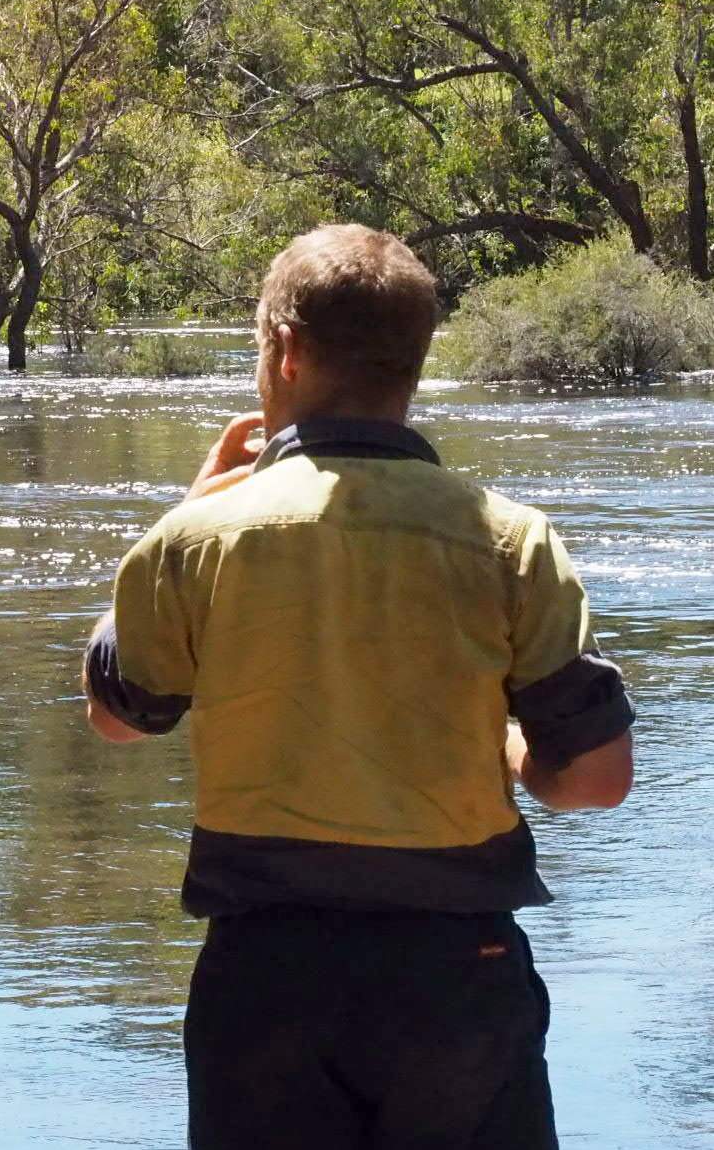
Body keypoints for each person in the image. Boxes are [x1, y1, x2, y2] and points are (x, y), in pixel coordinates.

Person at [82, 225, 635, 1149]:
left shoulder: (194, 542)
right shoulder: (513, 540)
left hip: (266, 977)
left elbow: (119, 718)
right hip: (462, 969)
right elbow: (595, 780)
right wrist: (508, 747)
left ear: (287, 352)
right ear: (415, 360)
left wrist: (180, 519)